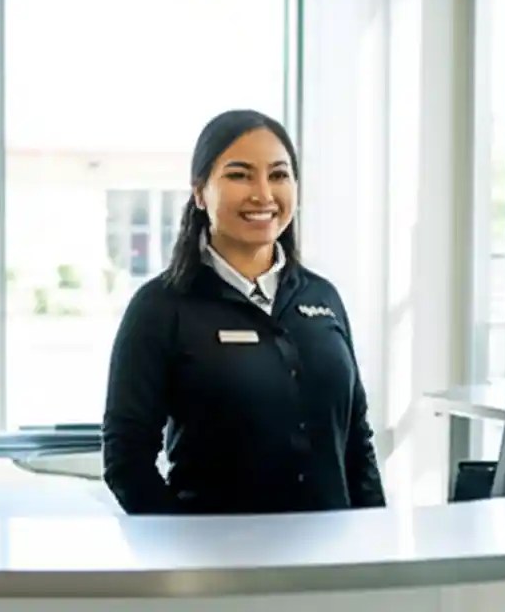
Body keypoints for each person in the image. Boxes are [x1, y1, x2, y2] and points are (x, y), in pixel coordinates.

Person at [102, 109, 386, 515]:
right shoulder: (160, 308)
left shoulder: (324, 298)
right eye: (239, 175)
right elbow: (126, 460)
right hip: (219, 570)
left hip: (331, 565)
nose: (264, 195)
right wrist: (184, 549)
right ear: (200, 191)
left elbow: (357, 443)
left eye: (278, 175)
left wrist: (374, 546)